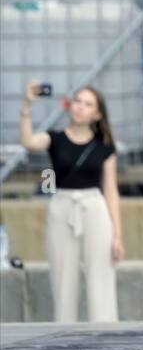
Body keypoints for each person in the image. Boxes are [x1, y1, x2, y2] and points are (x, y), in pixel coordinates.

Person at [18, 81, 123, 323]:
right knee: (63, 279)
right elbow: (28, 142)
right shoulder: (55, 138)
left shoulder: (104, 146)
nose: (80, 107)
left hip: (94, 208)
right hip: (62, 206)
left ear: (97, 114)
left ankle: (105, 335)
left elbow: (111, 191)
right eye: (77, 101)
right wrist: (27, 105)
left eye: (88, 104)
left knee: (101, 278)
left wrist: (118, 235)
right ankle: (64, 337)